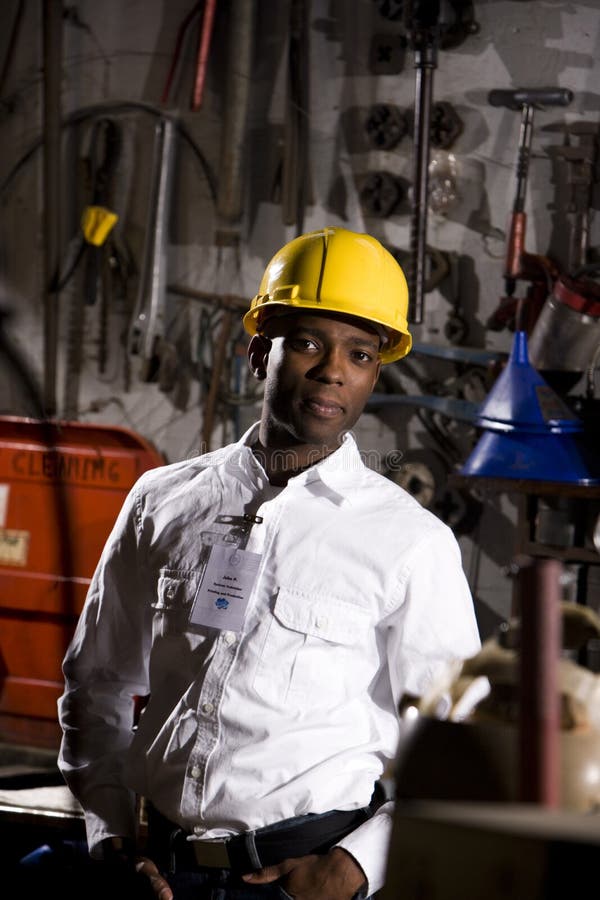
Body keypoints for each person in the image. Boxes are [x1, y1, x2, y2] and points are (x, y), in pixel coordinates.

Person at [55, 226, 481, 899]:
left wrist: (354, 868)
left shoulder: (411, 542)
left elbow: (461, 754)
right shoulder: (162, 502)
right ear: (259, 351)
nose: (333, 370)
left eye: (362, 354)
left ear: (375, 374)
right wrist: (107, 828)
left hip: (301, 879)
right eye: (309, 342)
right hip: (155, 875)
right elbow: (97, 682)